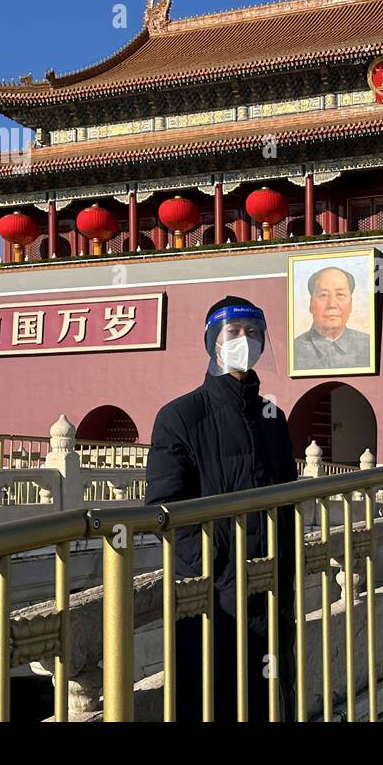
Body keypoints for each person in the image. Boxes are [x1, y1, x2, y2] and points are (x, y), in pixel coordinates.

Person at [146, 295, 300, 721]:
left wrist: (285, 564)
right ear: (214, 341)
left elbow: (286, 497)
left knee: (272, 696)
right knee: (213, 697)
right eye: (234, 332)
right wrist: (216, 562)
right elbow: (166, 508)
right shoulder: (179, 416)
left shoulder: (272, 417)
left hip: (271, 587)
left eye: (253, 333)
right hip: (215, 599)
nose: (244, 341)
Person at [291, 266, 372, 370]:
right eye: (323, 295)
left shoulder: (368, 345)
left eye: (340, 294)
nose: (332, 304)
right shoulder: (293, 350)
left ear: (351, 304)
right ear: (311, 304)